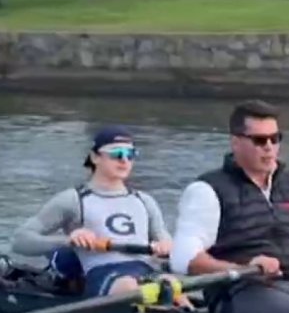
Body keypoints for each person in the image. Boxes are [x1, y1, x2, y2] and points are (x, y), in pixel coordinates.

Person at [170, 100, 289, 313]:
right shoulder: (206, 190)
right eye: (259, 140)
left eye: (275, 138)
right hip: (241, 290)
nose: (269, 147)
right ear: (235, 143)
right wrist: (243, 268)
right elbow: (183, 259)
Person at [10, 126, 175, 298]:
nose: (124, 160)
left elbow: (165, 240)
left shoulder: (144, 201)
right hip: (104, 273)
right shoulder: (73, 200)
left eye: (130, 154)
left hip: (145, 270)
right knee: (129, 285)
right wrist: (69, 241)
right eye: (117, 154)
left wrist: (166, 247)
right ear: (95, 157)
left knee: (171, 284)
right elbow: (20, 241)